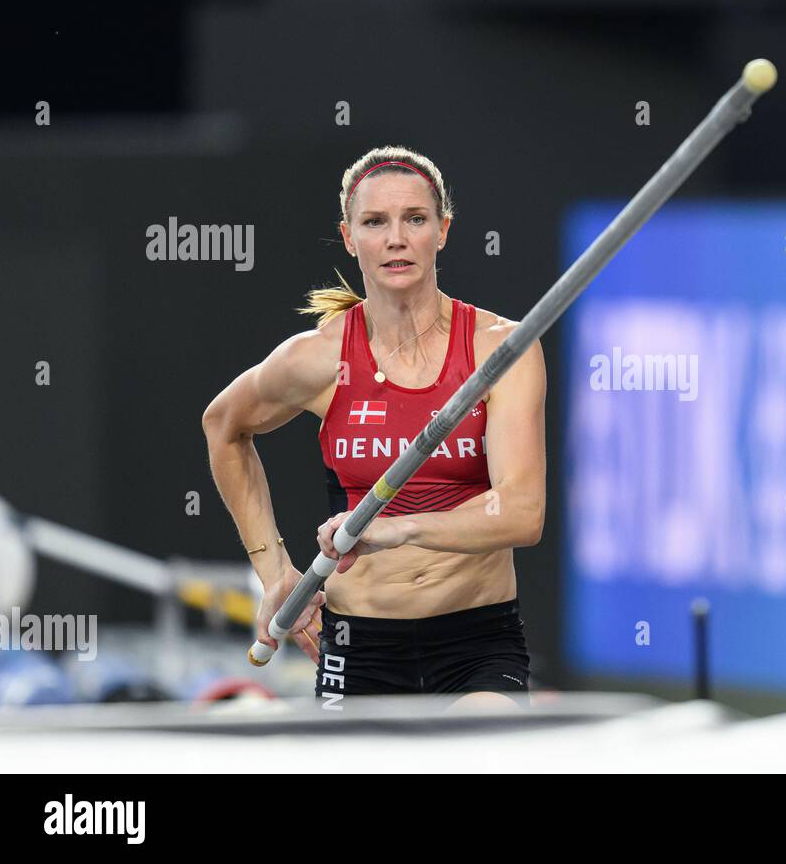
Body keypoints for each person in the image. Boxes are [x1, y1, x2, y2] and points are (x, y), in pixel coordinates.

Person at [202, 145, 546, 708]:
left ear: (443, 230)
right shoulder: (319, 358)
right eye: (375, 222)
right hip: (358, 646)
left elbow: (522, 512)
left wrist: (399, 527)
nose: (396, 238)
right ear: (348, 236)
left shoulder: (499, 350)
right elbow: (223, 426)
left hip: (477, 642)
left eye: (415, 219)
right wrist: (273, 570)